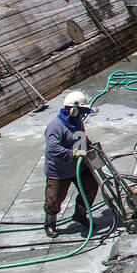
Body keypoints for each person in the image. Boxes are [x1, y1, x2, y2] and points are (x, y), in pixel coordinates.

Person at [43, 90, 101, 238]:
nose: (83, 115)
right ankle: (50, 224)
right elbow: (53, 148)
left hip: (78, 166)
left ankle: (80, 214)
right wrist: (72, 153)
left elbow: (81, 137)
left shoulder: (77, 123)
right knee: (54, 198)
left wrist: (88, 147)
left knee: (91, 186)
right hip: (59, 170)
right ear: (73, 110)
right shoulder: (55, 126)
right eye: (82, 112)